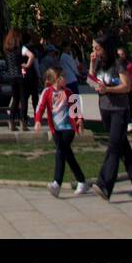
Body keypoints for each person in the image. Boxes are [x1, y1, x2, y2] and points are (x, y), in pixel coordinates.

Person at [88, 32, 132, 201]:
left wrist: (108, 90)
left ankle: (104, 185)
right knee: (123, 149)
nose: (94, 51)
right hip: (105, 109)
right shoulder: (99, 63)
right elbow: (91, 82)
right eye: (93, 48)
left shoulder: (118, 63)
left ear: (105, 48)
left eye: (97, 48)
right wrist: (92, 64)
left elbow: (127, 86)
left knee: (114, 147)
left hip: (119, 111)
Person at [34, 65, 90, 198]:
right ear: (57, 79)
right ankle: (82, 181)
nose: (66, 78)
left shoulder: (69, 92)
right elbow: (40, 107)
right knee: (67, 155)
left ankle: (56, 184)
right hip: (56, 129)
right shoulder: (47, 92)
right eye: (63, 76)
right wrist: (37, 121)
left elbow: (76, 110)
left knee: (60, 151)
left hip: (68, 129)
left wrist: (80, 121)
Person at [3, 27, 33, 131]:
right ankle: (23, 122)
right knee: (23, 99)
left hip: (12, 76)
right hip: (21, 75)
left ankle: (11, 121)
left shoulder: (7, 49)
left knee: (15, 99)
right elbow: (31, 56)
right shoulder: (21, 48)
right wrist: (27, 65)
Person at [117, 44, 132, 132]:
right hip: (118, 88)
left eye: (122, 54)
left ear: (125, 54)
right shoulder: (115, 64)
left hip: (128, 88)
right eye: (119, 55)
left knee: (129, 105)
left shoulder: (129, 65)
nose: (121, 56)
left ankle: (130, 121)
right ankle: (121, 122)